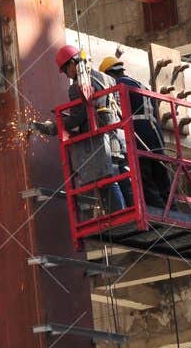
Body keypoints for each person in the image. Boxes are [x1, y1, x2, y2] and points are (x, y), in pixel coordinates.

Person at [56, 44, 128, 218]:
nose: (67, 75)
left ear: (72, 64)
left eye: (65, 70)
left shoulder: (77, 86)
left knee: (105, 181)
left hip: (99, 140)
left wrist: (57, 125)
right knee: (122, 177)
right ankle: (128, 211)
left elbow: (77, 117)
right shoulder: (108, 78)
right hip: (118, 136)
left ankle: (119, 217)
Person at [100, 54, 171, 208]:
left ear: (109, 74)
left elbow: (116, 112)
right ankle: (172, 210)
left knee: (145, 177)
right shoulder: (141, 85)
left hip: (140, 133)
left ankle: (157, 212)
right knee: (161, 176)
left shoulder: (119, 85)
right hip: (155, 133)